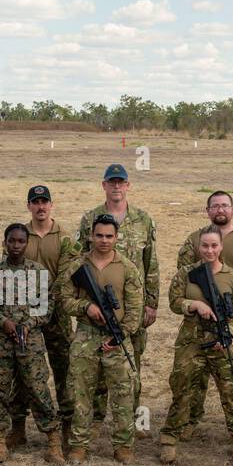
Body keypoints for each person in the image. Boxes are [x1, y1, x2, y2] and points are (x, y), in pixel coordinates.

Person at [159, 229, 233, 466]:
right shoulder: (185, 273)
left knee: (232, 390)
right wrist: (193, 305)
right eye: (205, 246)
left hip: (222, 340)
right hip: (191, 340)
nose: (209, 250)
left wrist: (230, 332)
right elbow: (174, 302)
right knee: (182, 386)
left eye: (214, 246)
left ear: (221, 247)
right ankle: (170, 438)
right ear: (198, 248)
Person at [76, 165, 158, 437]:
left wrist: (151, 303)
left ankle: (133, 419)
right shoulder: (90, 219)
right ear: (104, 185)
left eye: (120, 182)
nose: (116, 187)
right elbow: (80, 261)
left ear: (127, 185)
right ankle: (97, 418)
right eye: (111, 182)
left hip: (132, 306)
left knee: (131, 362)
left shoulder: (143, 220)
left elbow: (151, 263)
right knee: (98, 365)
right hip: (98, 306)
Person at [174, 190, 233, 437]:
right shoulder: (195, 239)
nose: (220, 210)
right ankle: (190, 419)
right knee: (197, 371)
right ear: (208, 211)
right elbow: (185, 271)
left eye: (225, 205)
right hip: (201, 319)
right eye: (215, 206)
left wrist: (230, 292)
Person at [56, 214, 142, 463]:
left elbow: (135, 309)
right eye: (99, 235)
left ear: (116, 237)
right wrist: (86, 307)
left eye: (109, 236)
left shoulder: (127, 267)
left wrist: (120, 335)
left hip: (117, 336)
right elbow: (64, 300)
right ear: (91, 236)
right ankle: (79, 445)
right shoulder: (77, 266)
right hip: (86, 335)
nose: (104, 240)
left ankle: (123, 445)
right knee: (80, 392)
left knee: (123, 392)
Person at [0, 223, 64, 464]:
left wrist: (29, 324)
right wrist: (4, 322)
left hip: (30, 341)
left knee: (38, 389)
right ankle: (0, 440)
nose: (16, 245)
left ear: (27, 244)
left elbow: (47, 306)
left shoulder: (38, 272)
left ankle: (53, 441)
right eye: (12, 241)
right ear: (5, 243)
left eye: (21, 241)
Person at [18, 185, 80, 450]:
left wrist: (47, 303)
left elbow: (67, 276)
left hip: (58, 313)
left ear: (51, 205)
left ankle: (67, 424)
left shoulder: (65, 237)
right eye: (36, 202)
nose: (40, 206)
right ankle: (18, 426)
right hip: (26, 312)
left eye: (44, 202)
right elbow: (13, 271)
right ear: (29, 206)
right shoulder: (20, 235)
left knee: (63, 368)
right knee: (23, 367)